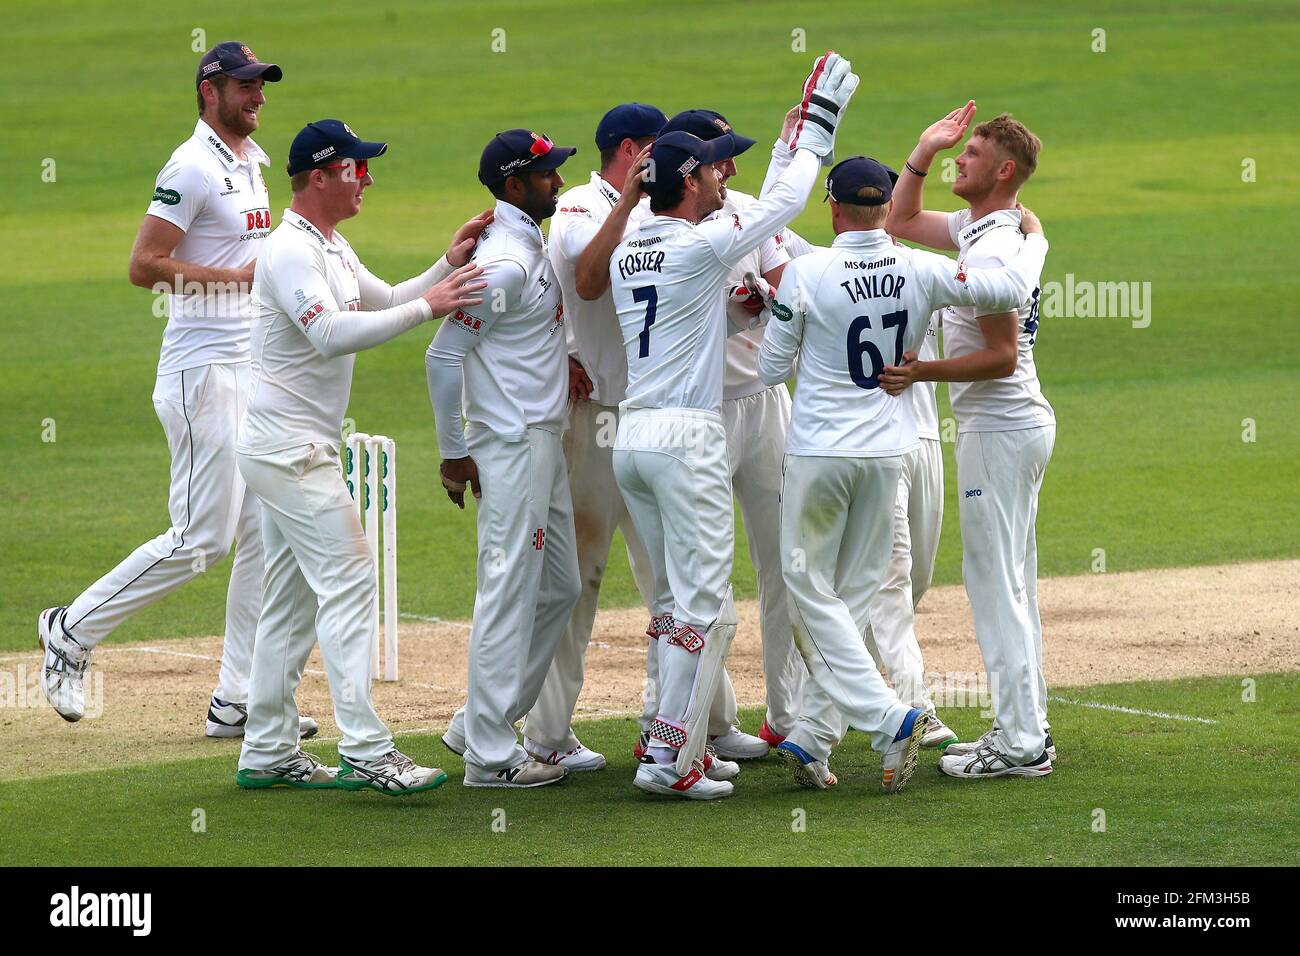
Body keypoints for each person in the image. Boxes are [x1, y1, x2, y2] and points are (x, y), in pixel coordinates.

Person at [36, 42, 320, 739]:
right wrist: (243, 283)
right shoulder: (191, 166)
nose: (258, 96)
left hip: (249, 369)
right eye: (246, 86)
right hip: (202, 373)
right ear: (209, 90)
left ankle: (238, 698)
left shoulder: (251, 163)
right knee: (203, 539)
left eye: (262, 86)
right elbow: (144, 265)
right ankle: (70, 629)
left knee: (262, 531)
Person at [607, 52, 859, 800]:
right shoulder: (696, 245)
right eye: (713, 170)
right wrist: (816, 128)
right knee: (708, 611)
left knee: (675, 605)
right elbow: (781, 206)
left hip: (633, 439)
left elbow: (718, 277)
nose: (723, 178)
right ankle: (669, 764)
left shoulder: (630, 250)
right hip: (687, 438)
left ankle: (669, 738)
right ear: (687, 182)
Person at [757, 155, 1048, 792]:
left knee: (808, 588)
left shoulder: (806, 272)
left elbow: (772, 371)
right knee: (858, 593)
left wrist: (780, 316)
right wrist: (1033, 242)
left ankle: (889, 717)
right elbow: (1004, 292)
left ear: (832, 207)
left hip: (819, 456)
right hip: (889, 453)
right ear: (886, 209)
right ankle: (814, 731)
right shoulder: (921, 266)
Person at [234, 119, 487, 793]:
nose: (367, 178)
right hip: (290, 450)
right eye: (356, 168)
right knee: (349, 582)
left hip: (291, 446)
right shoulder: (289, 251)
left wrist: (447, 266)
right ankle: (369, 751)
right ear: (319, 176)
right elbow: (329, 335)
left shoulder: (331, 246)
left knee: (290, 599)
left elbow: (393, 299)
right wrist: (432, 307)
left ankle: (265, 748)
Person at [883, 104, 1057, 779]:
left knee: (994, 583)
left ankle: (1017, 742)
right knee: (1012, 581)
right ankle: (1027, 729)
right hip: (1010, 429)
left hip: (1002, 428)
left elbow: (1001, 356)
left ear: (1005, 171)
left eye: (973, 154)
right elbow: (898, 222)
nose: (962, 159)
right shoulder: (983, 228)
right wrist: (923, 149)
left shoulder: (993, 246)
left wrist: (922, 370)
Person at [428, 129, 583, 789]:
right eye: (546, 174)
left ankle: (477, 724)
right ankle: (490, 758)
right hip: (511, 443)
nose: (557, 181)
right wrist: (453, 454)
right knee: (506, 591)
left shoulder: (527, 243)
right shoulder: (505, 263)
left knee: (560, 588)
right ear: (514, 185)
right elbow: (443, 355)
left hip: (540, 437)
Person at [516, 104, 666, 773]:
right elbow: (585, 275)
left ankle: (687, 726)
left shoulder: (667, 207)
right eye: (666, 148)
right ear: (632, 150)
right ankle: (544, 733)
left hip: (656, 416)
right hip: (597, 417)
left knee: (674, 575)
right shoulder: (582, 202)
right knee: (579, 577)